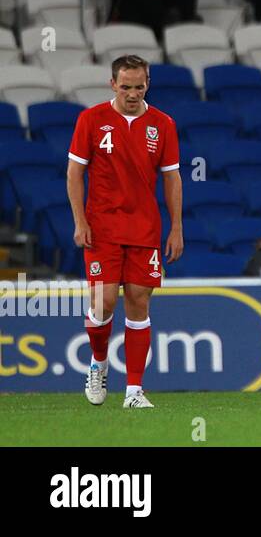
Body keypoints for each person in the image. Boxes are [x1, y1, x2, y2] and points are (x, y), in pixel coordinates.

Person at [67, 54, 184, 409]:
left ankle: (134, 391)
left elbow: (172, 177)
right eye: (126, 86)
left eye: (140, 86)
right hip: (101, 226)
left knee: (138, 302)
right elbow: (74, 174)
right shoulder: (91, 119)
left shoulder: (162, 123)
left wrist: (176, 227)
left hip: (144, 228)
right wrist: (80, 221)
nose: (133, 93)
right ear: (112, 84)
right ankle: (99, 363)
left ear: (147, 83)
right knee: (103, 303)